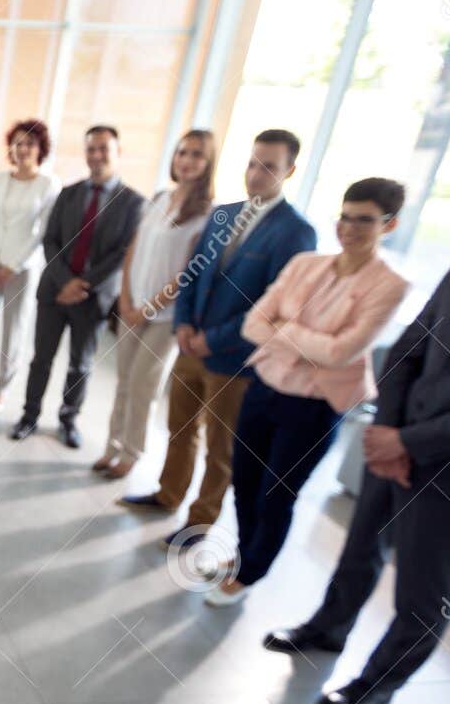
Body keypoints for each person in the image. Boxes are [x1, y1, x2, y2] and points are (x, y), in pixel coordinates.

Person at [265, 146, 450, 704]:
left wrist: (409, 443)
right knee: (360, 548)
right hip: (393, 438)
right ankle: (328, 627)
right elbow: (405, 351)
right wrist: (388, 429)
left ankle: (379, 683)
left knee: (425, 587)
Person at [204, 178, 409, 608]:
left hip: (315, 408)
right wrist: (306, 342)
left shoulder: (390, 285)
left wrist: (285, 333)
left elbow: (341, 352)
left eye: (364, 221)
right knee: (243, 481)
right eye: (345, 217)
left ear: (389, 225)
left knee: (277, 494)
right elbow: (252, 325)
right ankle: (244, 557)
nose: (349, 228)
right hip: (264, 388)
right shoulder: (304, 264)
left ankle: (251, 573)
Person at [121, 129, 315, 547]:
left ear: (290, 171)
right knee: (179, 428)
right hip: (192, 345)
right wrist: (185, 326)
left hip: (236, 359)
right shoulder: (223, 213)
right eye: (252, 163)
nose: (256, 174)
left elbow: (274, 306)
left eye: (269, 167)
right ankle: (167, 494)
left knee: (220, 448)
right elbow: (192, 275)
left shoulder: (295, 232)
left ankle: (200, 521)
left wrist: (216, 340)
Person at [11, 125, 145, 447]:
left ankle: (68, 420)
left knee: (80, 364)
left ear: (117, 153)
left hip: (94, 297)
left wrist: (82, 285)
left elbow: (123, 253)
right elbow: (50, 240)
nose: (97, 156)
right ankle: (29, 417)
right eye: (91, 149)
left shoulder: (133, 203)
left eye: (104, 149)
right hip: (54, 292)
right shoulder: (68, 193)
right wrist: (65, 282)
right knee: (41, 358)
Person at [93, 130, 215, 477]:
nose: (187, 160)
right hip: (131, 305)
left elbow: (187, 274)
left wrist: (147, 309)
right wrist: (128, 300)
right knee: (124, 381)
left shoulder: (206, 215)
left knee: (144, 386)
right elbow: (134, 249)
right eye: (182, 153)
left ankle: (131, 452)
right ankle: (111, 446)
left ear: (208, 164)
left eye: (196, 155)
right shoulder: (160, 198)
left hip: (163, 317)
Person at [0, 119, 59, 414]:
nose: (23, 149)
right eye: (18, 143)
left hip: (21, 269)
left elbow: (40, 232)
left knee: (13, 331)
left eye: (30, 144)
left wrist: (11, 265)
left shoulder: (48, 185)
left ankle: (0, 391)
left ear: (41, 149)